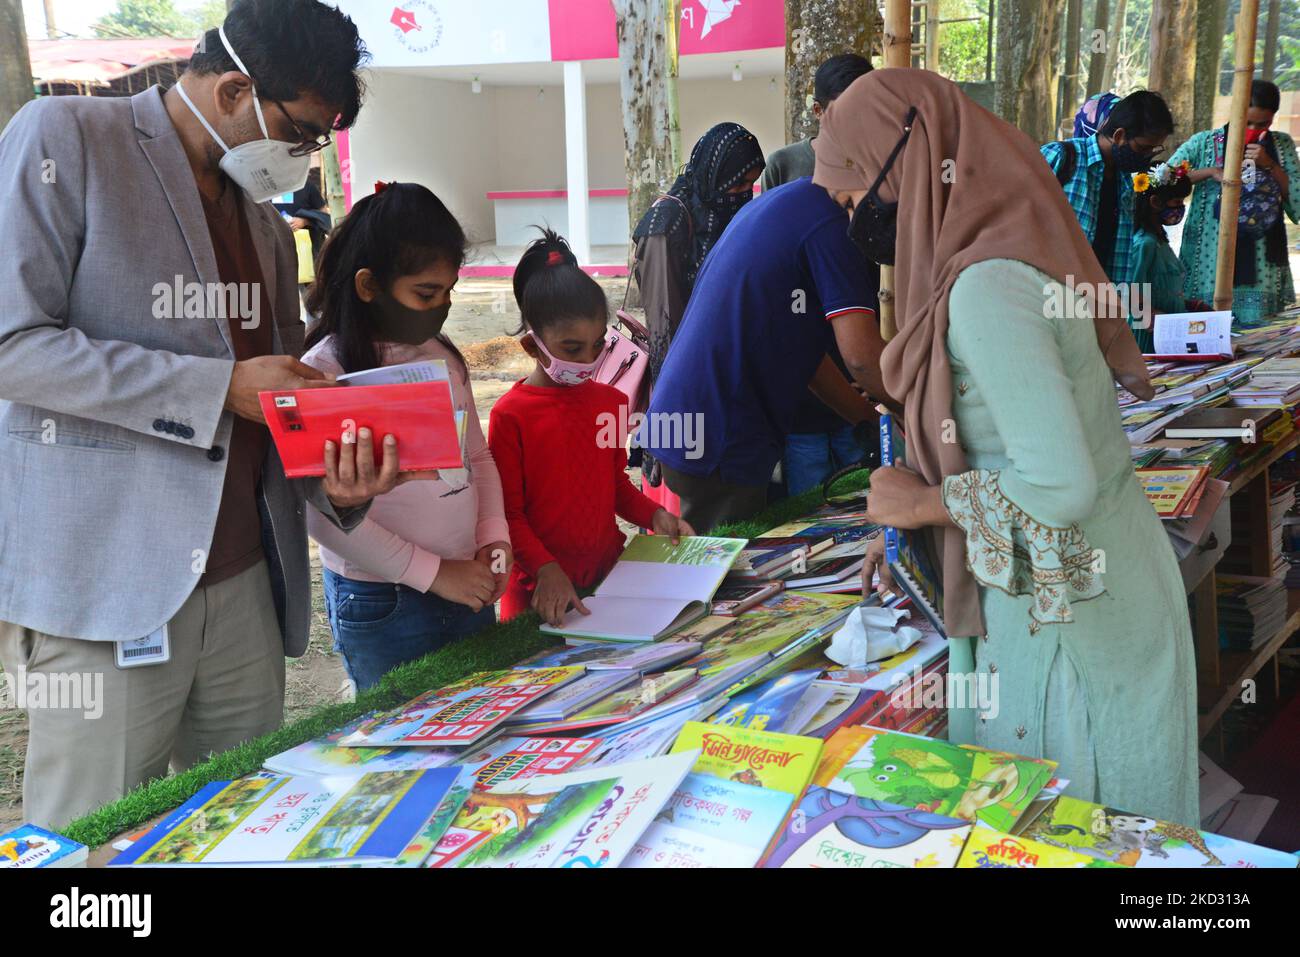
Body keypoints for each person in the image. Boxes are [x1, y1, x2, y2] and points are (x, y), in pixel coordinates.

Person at [0, 0, 411, 829]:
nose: (302, 158)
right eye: (299, 133)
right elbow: (14, 345)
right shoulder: (65, 139)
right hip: (109, 591)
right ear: (233, 89)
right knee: (87, 839)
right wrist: (216, 387)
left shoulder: (261, 220)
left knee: (241, 824)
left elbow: (276, 394)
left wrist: (342, 480)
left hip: (247, 583)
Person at [815, 69, 1197, 826]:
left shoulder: (986, 288)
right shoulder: (997, 247)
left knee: (1078, 828)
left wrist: (921, 501)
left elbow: (1060, 486)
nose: (850, 216)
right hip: (1085, 589)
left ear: (909, 163)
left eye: (854, 193)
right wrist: (911, 523)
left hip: (1074, 613)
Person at [301, 182, 512, 691]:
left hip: (469, 579)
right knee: (397, 742)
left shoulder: (442, 355)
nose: (441, 307)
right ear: (369, 285)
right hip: (383, 601)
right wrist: (434, 573)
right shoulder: (322, 374)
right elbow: (320, 516)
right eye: (425, 293)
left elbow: (476, 457)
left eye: (447, 292)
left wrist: (493, 536)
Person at [640, 172, 883, 533]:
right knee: (724, 574)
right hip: (716, 437)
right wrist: (909, 416)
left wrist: (871, 421)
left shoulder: (789, 202)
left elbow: (811, 360)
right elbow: (862, 357)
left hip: (685, 421)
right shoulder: (831, 222)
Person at [489, 230, 694, 627]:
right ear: (533, 347)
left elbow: (613, 485)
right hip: (537, 595)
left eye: (598, 345)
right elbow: (508, 514)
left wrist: (655, 517)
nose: (587, 359)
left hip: (606, 581)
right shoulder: (510, 416)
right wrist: (546, 568)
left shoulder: (611, 402)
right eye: (571, 349)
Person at [762, 52, 878, 496]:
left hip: (859, 325)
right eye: (842, 109)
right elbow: (775, 257)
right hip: (803, 334)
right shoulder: (785, 165)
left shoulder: (882, 161)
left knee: (860, 483)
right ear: (816, 111)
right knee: (809, 488)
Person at [630, 122, 766, 496]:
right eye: (735, 186)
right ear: (711, 174)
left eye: (749, 186)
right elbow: (664, 327)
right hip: (681, 383)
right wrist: (677, 406)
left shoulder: (719, 218)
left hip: (718, 377)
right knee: (684, 500)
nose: (741, 196)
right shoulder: (665, 224)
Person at [1169, 80, 1300, 326]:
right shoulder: (1205, 142)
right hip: (1209, 259)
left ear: (1272, 119)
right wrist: (1209, 172)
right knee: (1207, 329)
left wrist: (1270, 165)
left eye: (1262, 124)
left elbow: (1297, 200)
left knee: (1257, 341)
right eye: (1247, 122)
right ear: (1236, 113)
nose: (1252, 129)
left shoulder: (1280, 146)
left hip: (1262, 265)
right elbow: (1163, 179)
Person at [1042, 91, 1175, 291]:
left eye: (1154, 150)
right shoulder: (1061, 157)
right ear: (1119, 135)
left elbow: (1117, 258)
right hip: (1045, 293)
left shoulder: (1125, 183)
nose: (1147, 156)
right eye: (1143, 148)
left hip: (1089, 302)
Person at [1130, 161, 1211, 350]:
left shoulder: (1160, 242)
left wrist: (1190, 306)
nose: (1181, 208)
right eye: (1176, 203)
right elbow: (1130, 298)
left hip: (1170, 335)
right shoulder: (1144, 244)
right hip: (1150, 340)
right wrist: (1165, 321)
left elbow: (1164, 290)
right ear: (1155, 202)